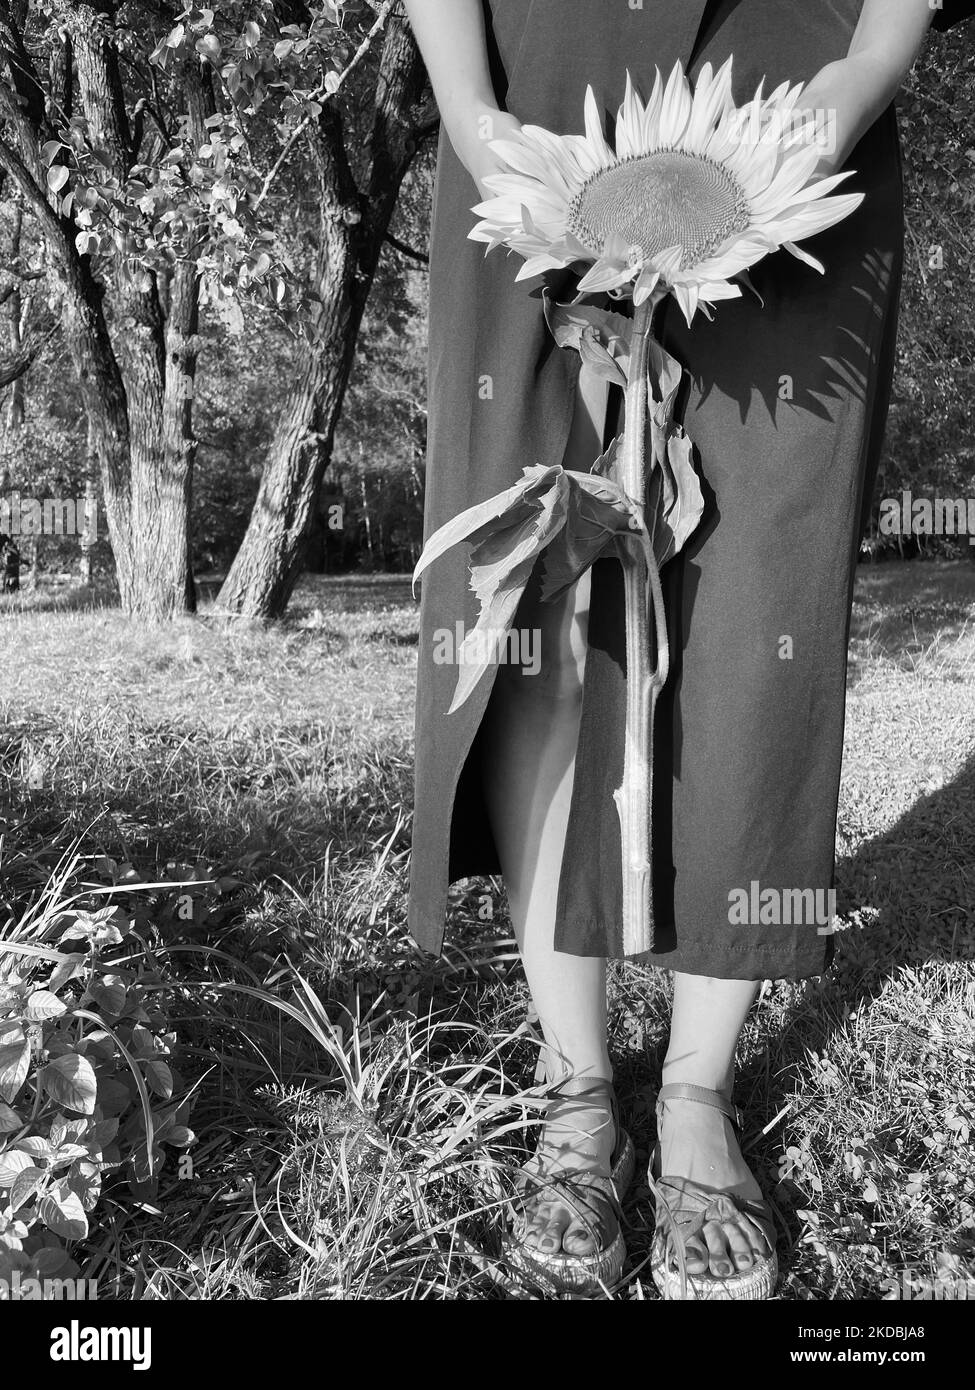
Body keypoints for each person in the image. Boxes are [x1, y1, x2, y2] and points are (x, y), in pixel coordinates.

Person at [403, 0, 973, 1298]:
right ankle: (576, 1082)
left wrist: (874, 62)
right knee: (537, 595)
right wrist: (471, 108)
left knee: (765, 594)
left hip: (801, 91)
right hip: (534, 94)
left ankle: (700, 1088)